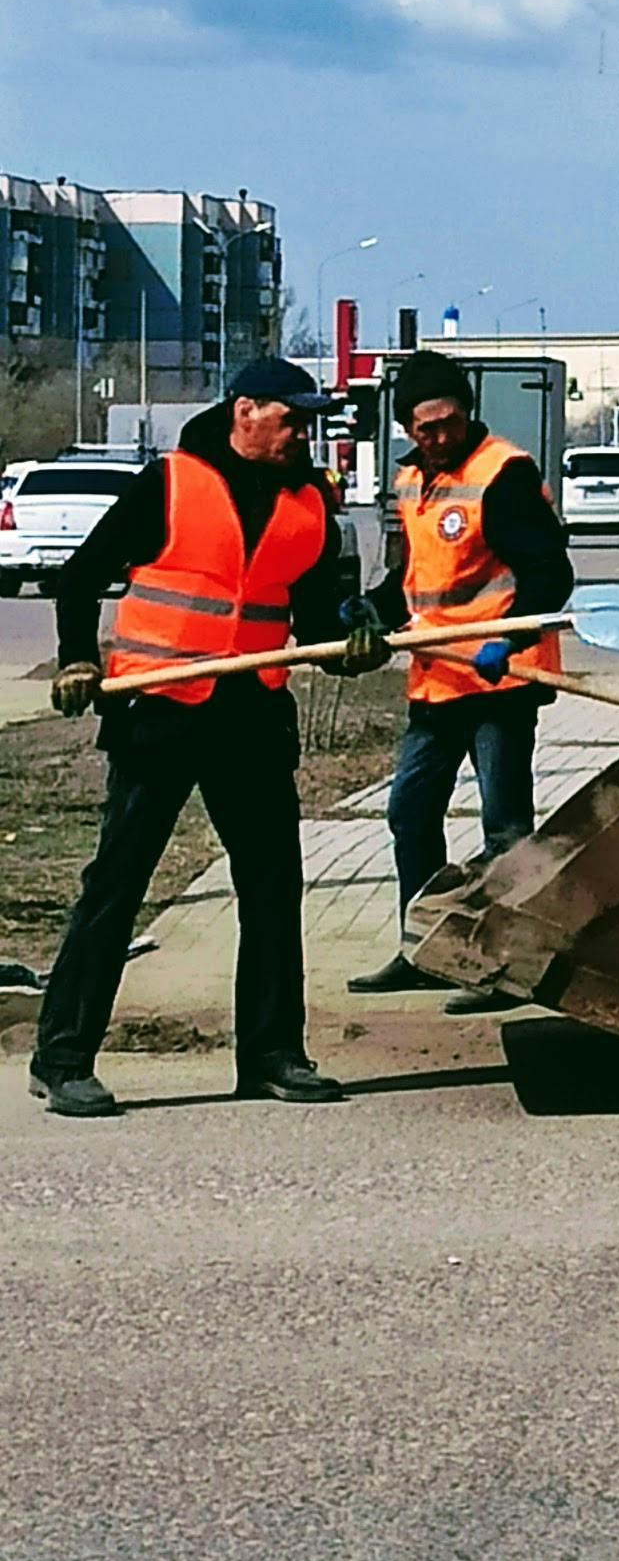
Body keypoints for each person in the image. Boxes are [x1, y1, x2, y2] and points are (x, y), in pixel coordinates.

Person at [29, 359, 384, 1115]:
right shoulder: (172, 481)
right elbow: (81, 574)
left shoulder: (311, 501)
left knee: (271, 887)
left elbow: (319, 625)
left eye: (307, 420)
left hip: (251, 716)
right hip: (159, 711)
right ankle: (62, 1059)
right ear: (245, 410)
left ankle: (272, 1055)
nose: (302, 433)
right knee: (117, 886)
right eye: (290, 418)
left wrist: (359, 642)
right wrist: (79, 658)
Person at [350, 353, 575, 1006]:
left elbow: (548, 576)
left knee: (505, 829)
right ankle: (424, 949)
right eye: (426, 429)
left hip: (498, 681)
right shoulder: (412, 481)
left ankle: (506, 967)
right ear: (408, 430)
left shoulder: (502, 474)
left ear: (466, 413)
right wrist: (374, 609)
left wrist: (510, 638)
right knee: (409, 811)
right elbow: (418, 581)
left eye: (449, 423)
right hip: (438, 679)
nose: (439, 437)